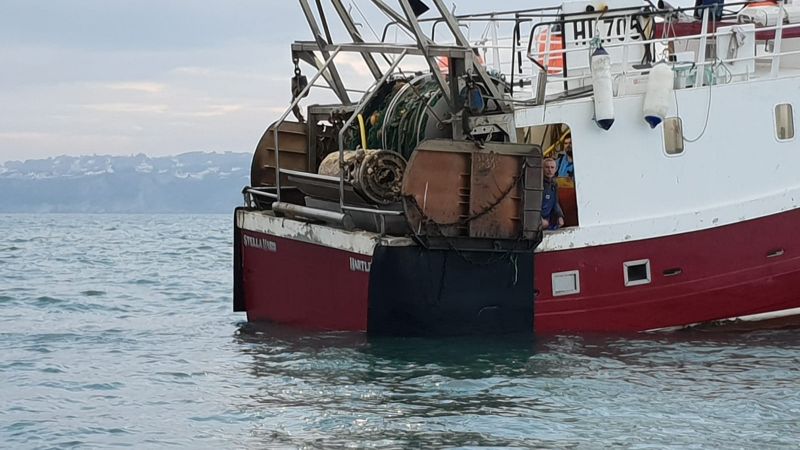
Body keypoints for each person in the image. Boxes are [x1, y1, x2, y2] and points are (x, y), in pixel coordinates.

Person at [541, 157, 565, 230]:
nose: (550, 170)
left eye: (552, 167)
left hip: (547, 221)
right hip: (536, 220)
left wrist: (560, 216)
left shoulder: (554, 185)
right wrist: (539, 220)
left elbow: (555, 203)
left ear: (555, 169)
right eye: (547, 167)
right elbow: (531, 205)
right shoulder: (537, 184)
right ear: (542, 169)